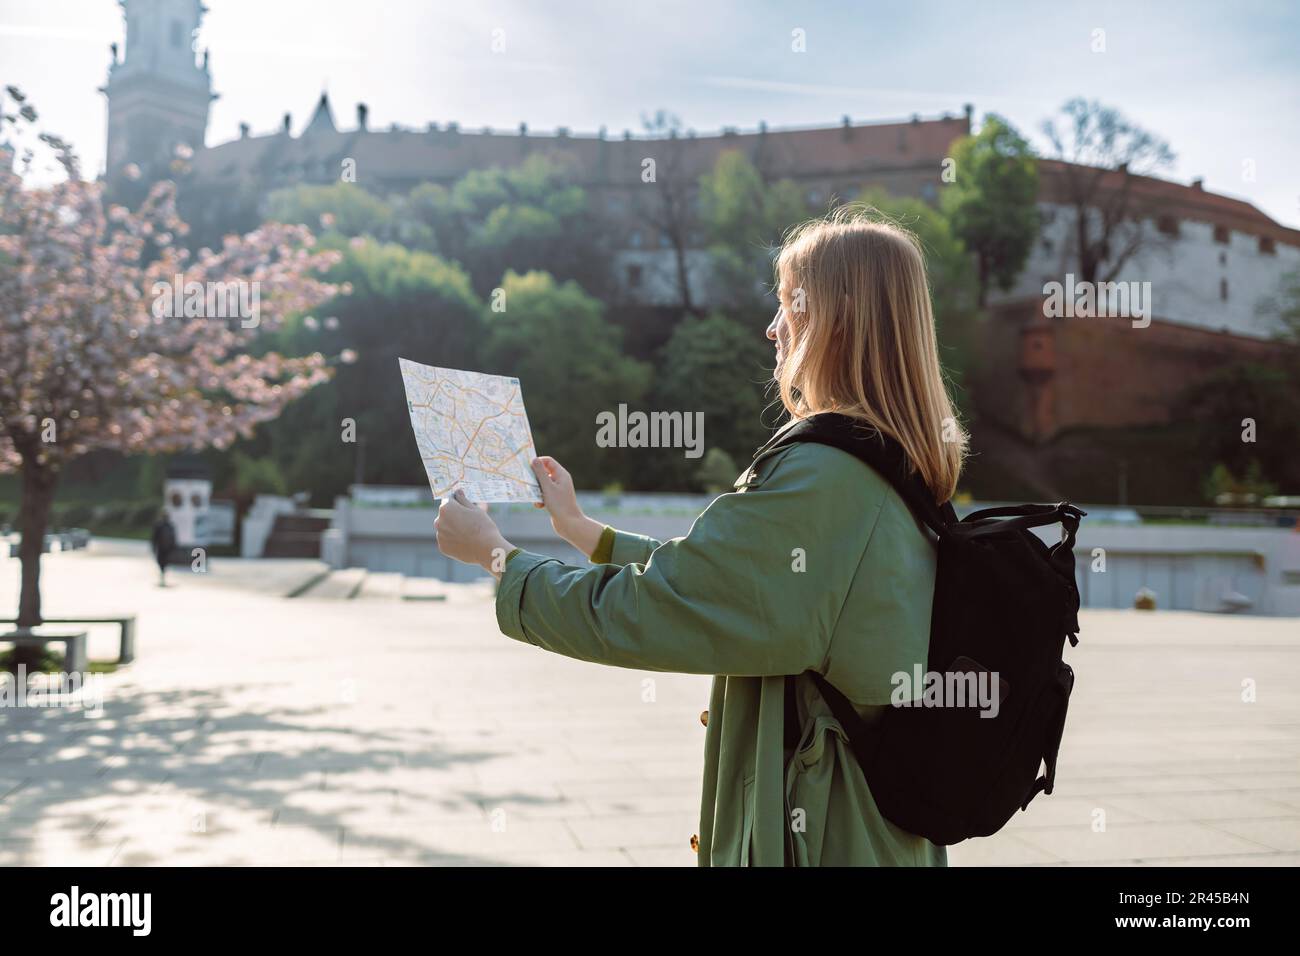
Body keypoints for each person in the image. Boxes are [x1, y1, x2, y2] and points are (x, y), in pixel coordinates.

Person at [434, 207, 965, 866]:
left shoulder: (824, 475)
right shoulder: (892, 463)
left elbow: (659, 608)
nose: (773, 329)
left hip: (826, 840)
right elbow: (733, 581)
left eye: (786, 307)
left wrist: (496, 557)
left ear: (838, 317)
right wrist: (581, 530)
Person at [150, 509, 176, 586]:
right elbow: (154, 537)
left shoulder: (170, 525)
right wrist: (154, 546)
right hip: (161, 547)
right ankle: (162, 573)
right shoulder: (159, 525)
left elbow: (173, 537)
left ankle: (163, 573)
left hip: (166, 547)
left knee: (164, 561)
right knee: (161, 561)